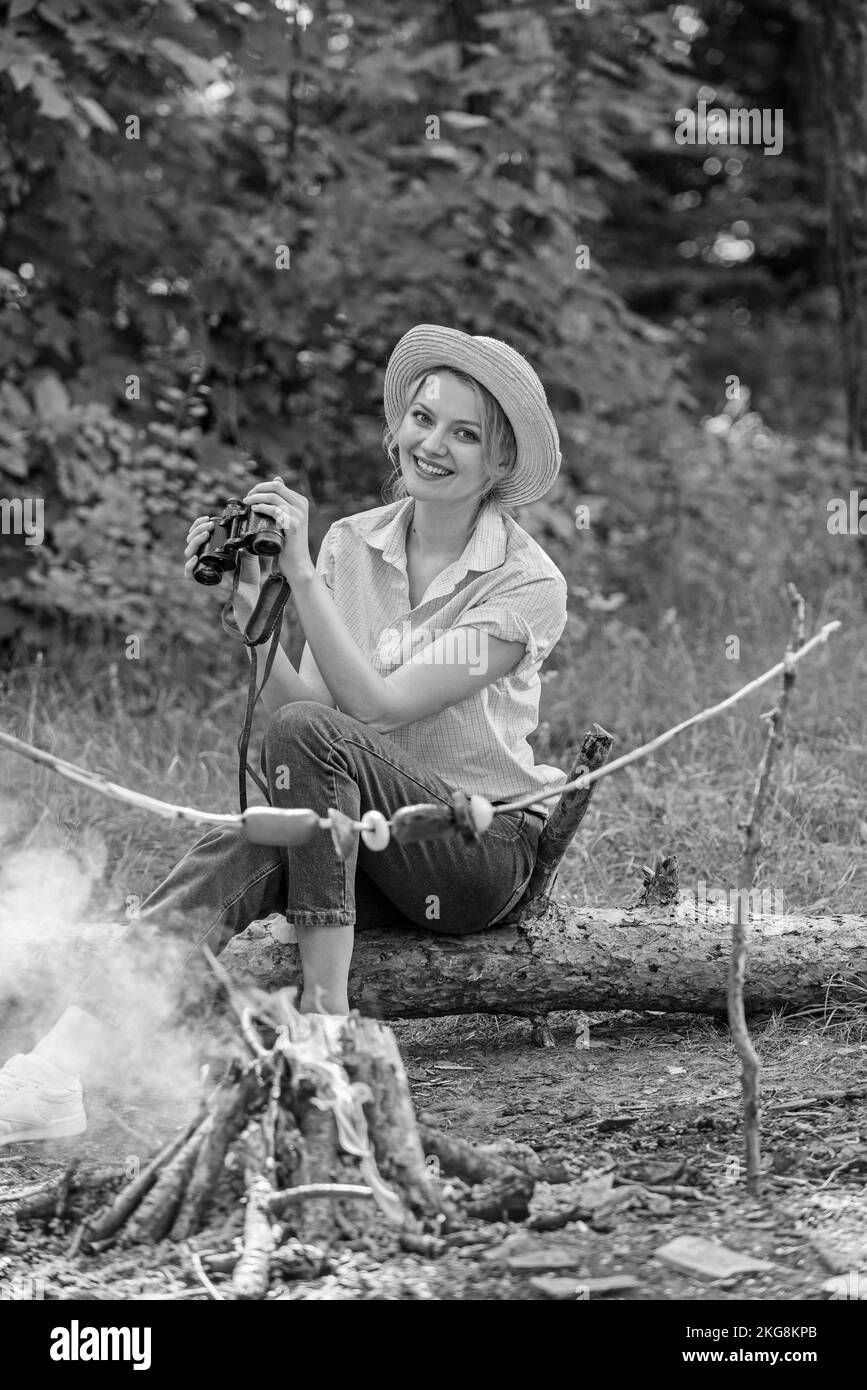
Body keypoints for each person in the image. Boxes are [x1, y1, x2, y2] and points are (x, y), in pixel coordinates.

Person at [0, 323, 569, 1146]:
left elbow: (368, 710)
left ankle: (325, 1029)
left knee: (309, 746)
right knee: (249, 841)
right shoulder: (353, 543)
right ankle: (60, 1067)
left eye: (465, 433)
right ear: (396, 424)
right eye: (421, 418)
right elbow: (294, 720)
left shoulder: (526, 583)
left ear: (500, 463)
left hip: (470, 853)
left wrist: (299, 574)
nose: (431, 444)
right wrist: (250, 607)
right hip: (358, 842)